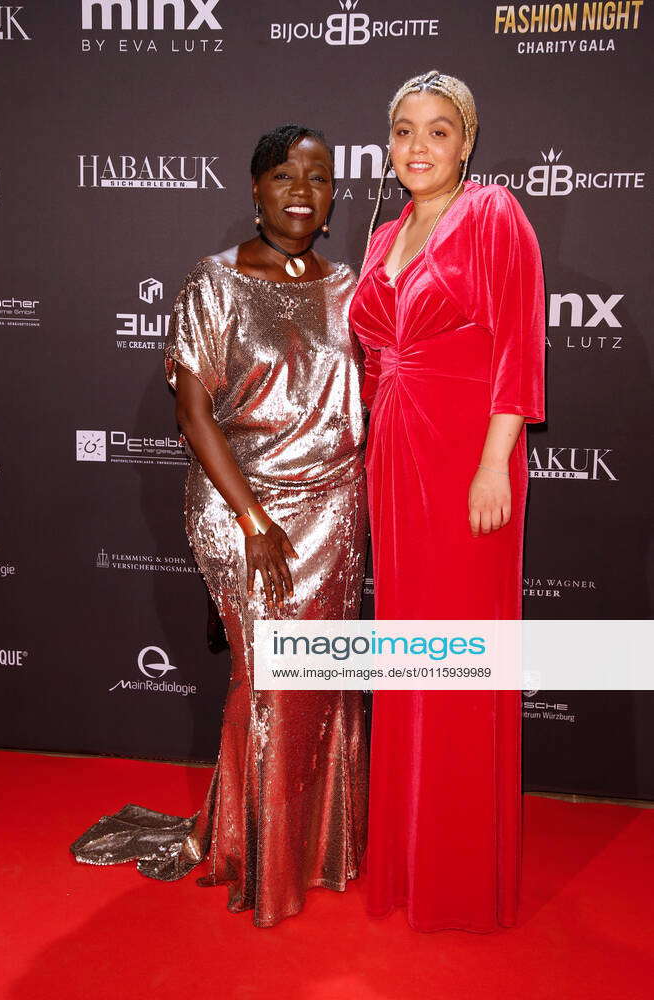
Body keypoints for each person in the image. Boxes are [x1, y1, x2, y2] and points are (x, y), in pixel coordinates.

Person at [71, 124, 369, 929]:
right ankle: (254, 856)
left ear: (334, 192)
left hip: (336, 505)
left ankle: (317, 847)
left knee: (320, 681)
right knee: (270, 679)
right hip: (244, 506)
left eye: (317, 175)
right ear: (254, 188)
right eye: (283, 175)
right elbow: (192, 412)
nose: (301, 189)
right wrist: (253, 519)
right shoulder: (214, 281)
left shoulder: (352, 285)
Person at [349, 71, 546, 932]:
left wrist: (494, 463)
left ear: (466, 142)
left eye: (438, 131)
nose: (418, 147)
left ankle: (457, 874)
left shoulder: (494, 213)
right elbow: (366, 360)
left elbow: (517, 345)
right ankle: (403, 857)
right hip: (392, 458)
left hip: (468, 455)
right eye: (403, 131)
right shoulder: (382, 230)